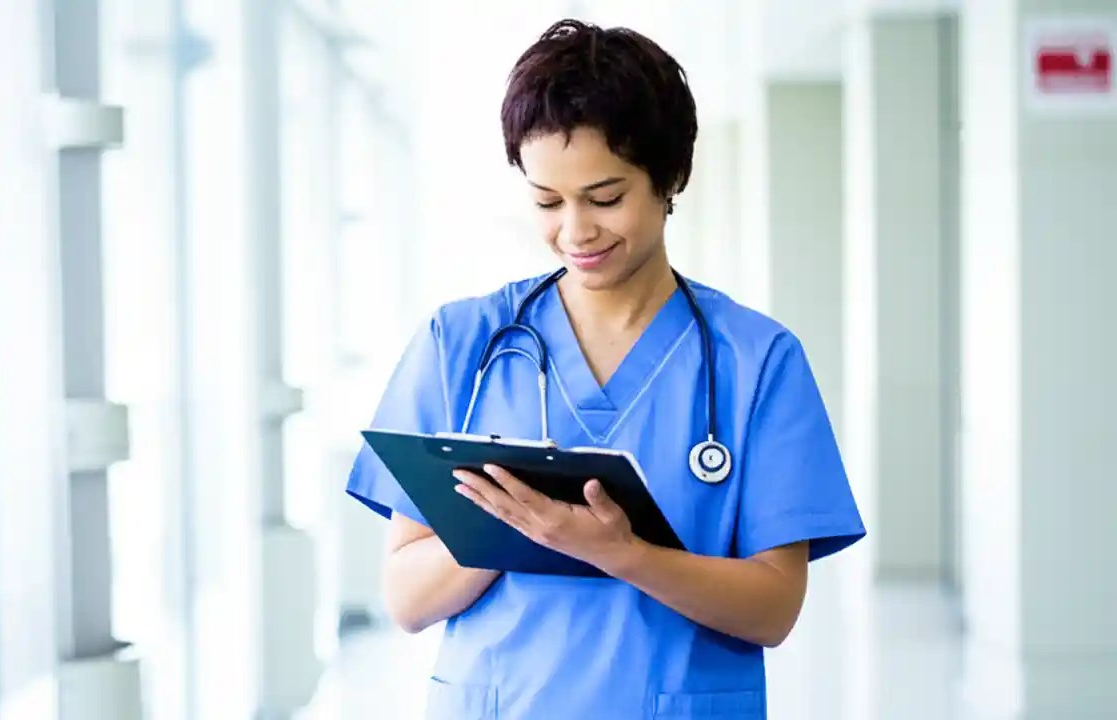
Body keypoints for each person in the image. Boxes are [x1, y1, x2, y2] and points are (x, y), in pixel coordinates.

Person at [345, 18, 865, 720]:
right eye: (546, 201)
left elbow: (773, 608)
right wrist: (516, 527)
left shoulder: (756, 361)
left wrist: (623, 553)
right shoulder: (459, 345)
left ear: (671, 175)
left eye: (606, 197)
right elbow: (406, 599)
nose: (576, 232)